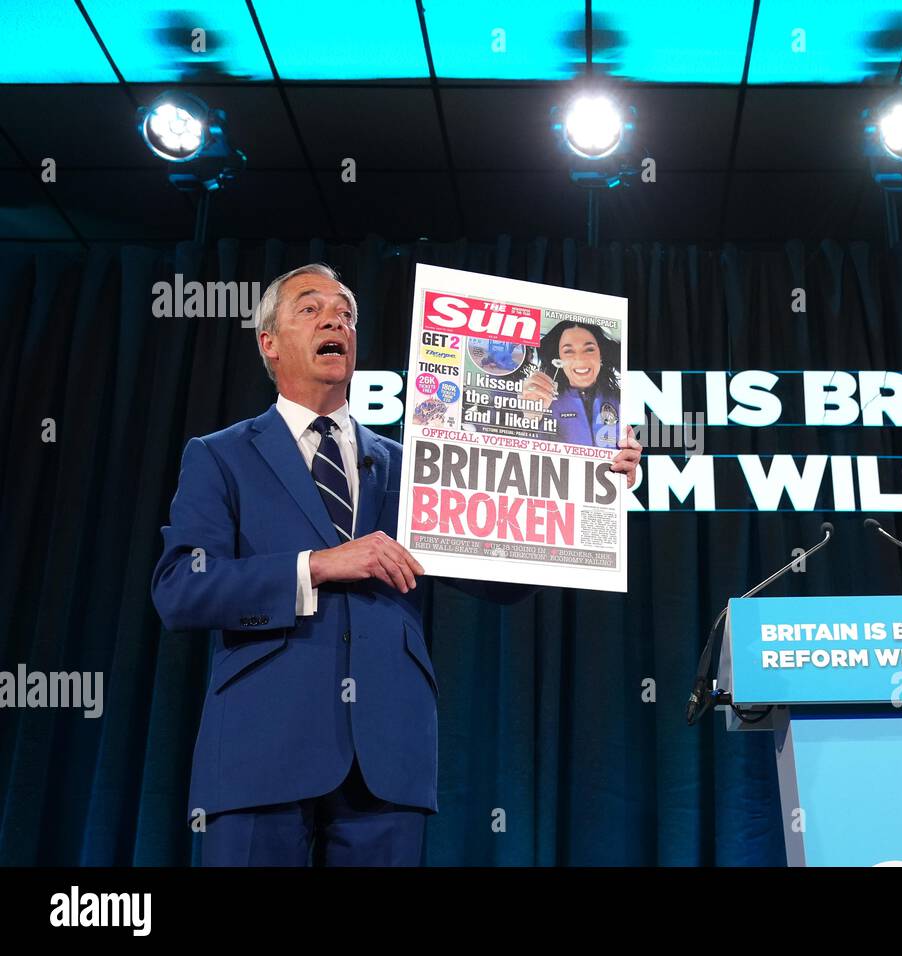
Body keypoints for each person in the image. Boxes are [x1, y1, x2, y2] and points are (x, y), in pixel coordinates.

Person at [151, 264, 641, 866]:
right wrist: (318, 565)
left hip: (389, 757)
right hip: (261, 750)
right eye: (310, 309)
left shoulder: (414, 466)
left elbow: (506, 578)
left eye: (347, 313)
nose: (335, 319)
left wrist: (589, 484)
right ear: (268, 342)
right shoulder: (220, 456)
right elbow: (180, 589)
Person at [520, 320, 622, 448]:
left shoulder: (620, 399)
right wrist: (531, 419)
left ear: (600, 355)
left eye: (589, 349)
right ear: (559, 359)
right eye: (568, 351)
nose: (579, 359)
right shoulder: (545, 402)